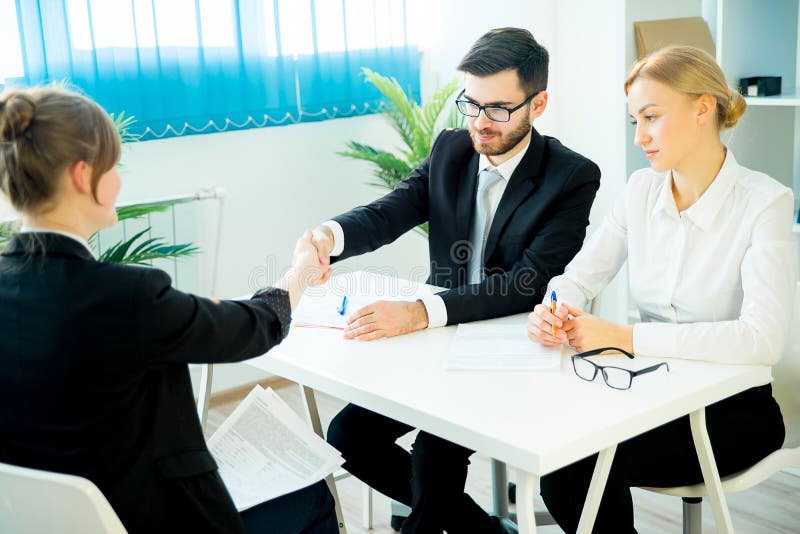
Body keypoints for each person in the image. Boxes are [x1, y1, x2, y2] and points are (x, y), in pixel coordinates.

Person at [0, 86, 337, 534]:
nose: (118, 181)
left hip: (38, 522)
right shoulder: (126, 296)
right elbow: (255, 326)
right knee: (311, 494)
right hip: (153, 519)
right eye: (113, 166)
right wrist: (300, 272)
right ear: (83, 175)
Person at [312, 28, 601, 533]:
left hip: (514, 347)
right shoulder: (451, 149)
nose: (480, 122)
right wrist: (328, 236)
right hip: (439, 340)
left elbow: (527, 282)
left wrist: (419, 313)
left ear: (538, 104)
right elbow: (391, 210)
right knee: (348, 437)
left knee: (433, 456)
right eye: (471, 104)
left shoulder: (571, 176)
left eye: (499, 109)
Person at [526, 45, 795, 533]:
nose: (639, 137)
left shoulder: (765, 203)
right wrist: (554, 307)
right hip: (651, 393)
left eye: (651, 117)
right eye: (635, 121)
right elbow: (580, 276)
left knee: (575, 466)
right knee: (563, 456)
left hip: (734, 411)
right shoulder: (639, 191)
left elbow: (760, 341)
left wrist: (626, 337)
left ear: (702, 108)